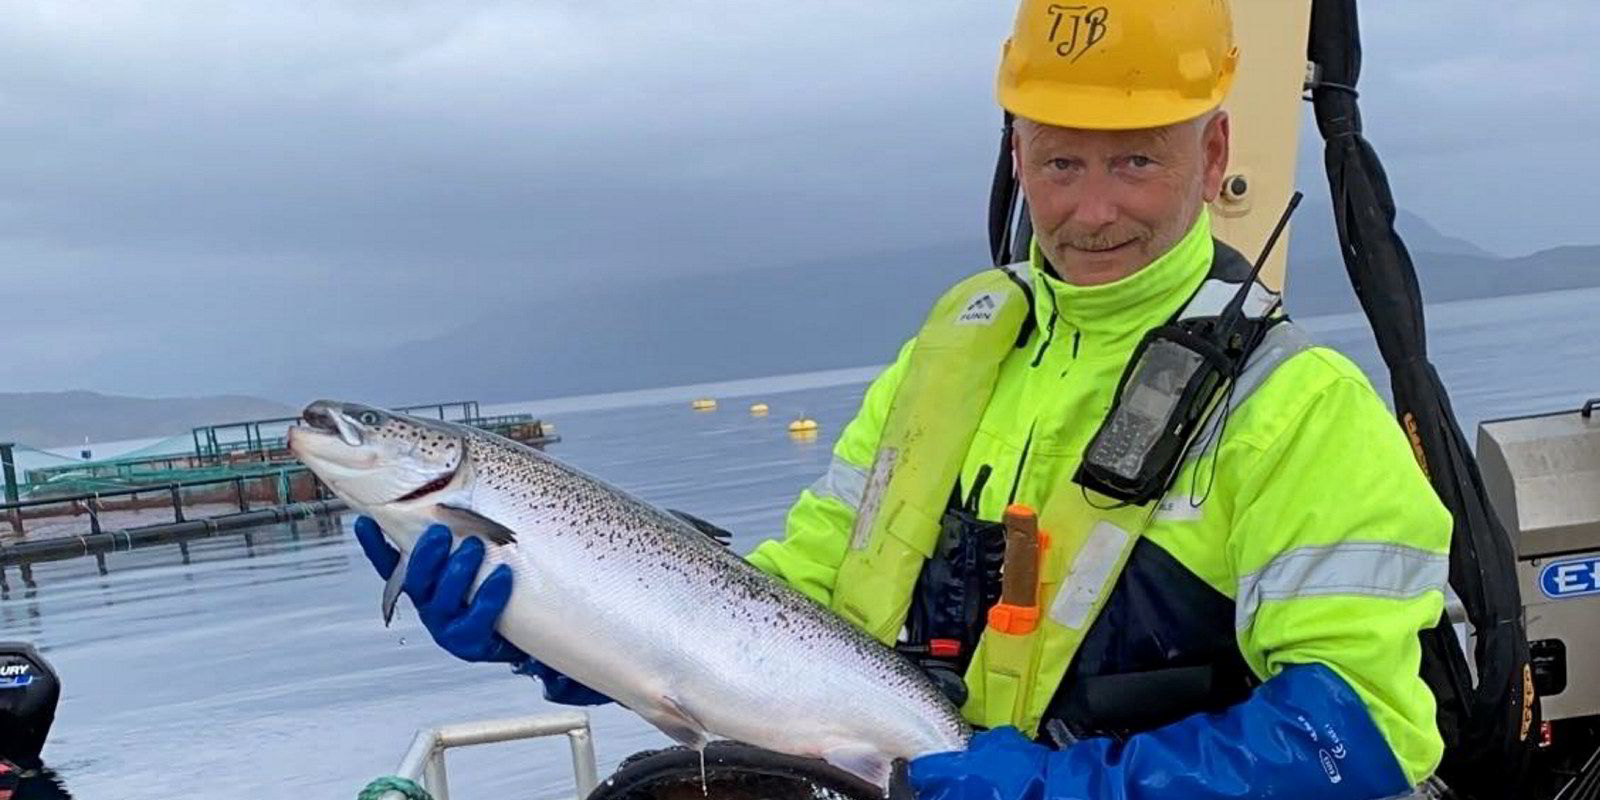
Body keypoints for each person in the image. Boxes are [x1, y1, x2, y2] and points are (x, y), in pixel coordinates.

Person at [356, 1, 1454, 797]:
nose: (1094, 209)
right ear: (1014, 151)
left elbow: (1358, 731)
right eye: (1062, 163)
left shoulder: (1303, 408)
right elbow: (789, 602)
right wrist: (544, 624)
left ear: (1213, 152)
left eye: (1136, 162)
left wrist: (1070, 790)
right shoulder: (951, 356)